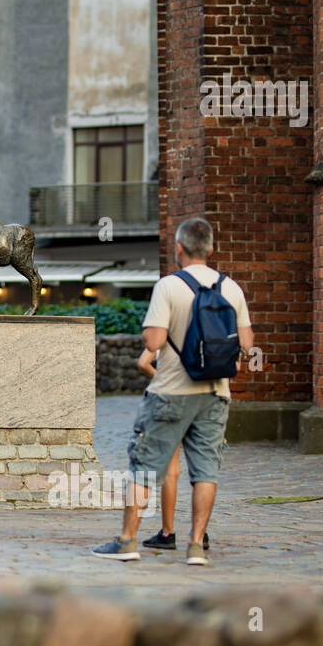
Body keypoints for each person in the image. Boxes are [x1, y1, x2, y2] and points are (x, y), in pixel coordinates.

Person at [92, 217, 253, 566]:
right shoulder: (232, 288)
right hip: (215, 393)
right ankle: (195, 545)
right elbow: (246, 343)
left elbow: (153, 341)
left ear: (179, 248)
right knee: (206, 470)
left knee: (145, 466)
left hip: (171, 391)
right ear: (210, 248)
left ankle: (128, 540)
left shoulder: (169, 286)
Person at [134, 348, 209, 553]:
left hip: (173, 400)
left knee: (171, 469)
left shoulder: (169, 326)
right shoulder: (208, 322)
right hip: (205, 399)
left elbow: (143, 362)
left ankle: (168, 533)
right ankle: (200, 533)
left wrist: (162, 381)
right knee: (203, 469)